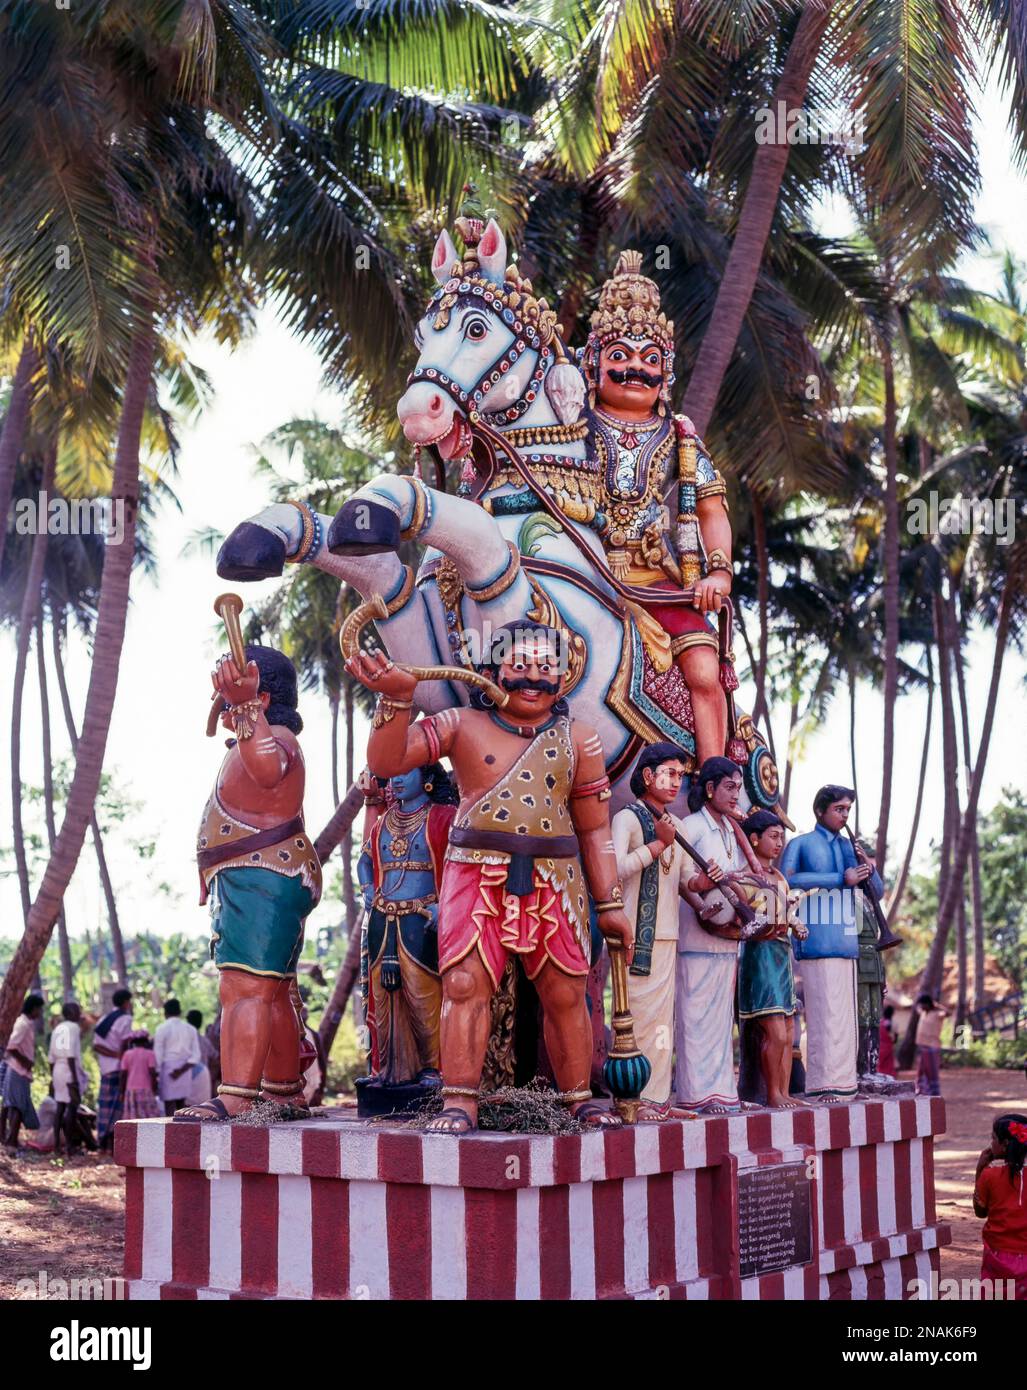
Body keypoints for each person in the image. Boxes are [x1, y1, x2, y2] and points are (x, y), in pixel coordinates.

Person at [345, 619, 634, 1132]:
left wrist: (610, 903)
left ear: (564, 677)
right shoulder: (458, 725)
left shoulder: (580, 741)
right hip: (474, 871)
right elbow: (387, 760)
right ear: (490, 670)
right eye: (519, 664)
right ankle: (460, 1102)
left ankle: (578, 1099)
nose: (533, 678)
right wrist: (395, 703)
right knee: (462, 983)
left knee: (566, 993)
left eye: (546, 666)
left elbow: (596, 832)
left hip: (555, 874)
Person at [583, 251, 735, 764]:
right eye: (621, 356)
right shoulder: (570, 429)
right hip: (581, 569)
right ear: (593, 362)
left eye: (651, 360)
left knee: (702, 670)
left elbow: (712, 510)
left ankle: (713, 774)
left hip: (658, 581)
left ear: (666, 373)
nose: (635, 370)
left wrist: (718, 574)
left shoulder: (678, 437)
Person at [179, 644, 322, 1122]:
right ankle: (283, 1090)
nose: (221, 702)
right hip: (258, 876)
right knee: (271, 988)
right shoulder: (259, 737)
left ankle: (238, 1095)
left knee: (244, 988)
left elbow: (268, 768)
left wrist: (244, 709)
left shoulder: (275, 738)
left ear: (258, 694)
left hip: (262, 875)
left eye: (232, 693)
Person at [356, 763, 457, 1093]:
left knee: (422, 995)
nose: (395, 779)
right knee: (382, 997)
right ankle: (387, 1068)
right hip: (382, 918)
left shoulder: (443, 816)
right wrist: (368, 888)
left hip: (422, 919)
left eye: (405, 773)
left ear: (427, 778)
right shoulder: (384, 820)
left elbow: (460, 862)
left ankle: (433, 1067)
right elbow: (364, 860)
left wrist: (446, 905)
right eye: (392, 773)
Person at [779, 784, 884, 1102]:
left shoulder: (850, 848)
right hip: (816, 940)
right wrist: (840, 878)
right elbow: (787, 879)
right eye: (839, 809)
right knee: (824, 1016)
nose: (844, 815)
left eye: (847, 810)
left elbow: (875, 893)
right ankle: (823, 1084)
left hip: (847, 942)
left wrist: (868, 869)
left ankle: (845, 1083)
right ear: (820, 811)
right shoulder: (801, 844)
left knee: (845, 1020)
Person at [612, 742, 693, 1121]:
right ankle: (634, 1099)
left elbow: (682, 881)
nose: (678, 782)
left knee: (662, 1026)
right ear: (648, 776)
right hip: (634, 936)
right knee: (638, 1020)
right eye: (671, 773)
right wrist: (658, 844)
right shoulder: (627, 818)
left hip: (668, 935)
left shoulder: (674, 826)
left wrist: (705, 886)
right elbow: (614, 871)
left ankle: (658, 1101)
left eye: (681, 775)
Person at [673, 756, 753, 1114]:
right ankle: (696, 1093)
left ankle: (722, 1090)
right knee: (695, 1016)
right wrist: (699, 900)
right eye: (730, 787)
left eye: (739, 787)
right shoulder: (692, 826)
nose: (737, 794)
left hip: (726, 936)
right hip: (695, 935)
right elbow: (679, 875)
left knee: (721, 1021)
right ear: (709, 789)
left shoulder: (728, 830)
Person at [737, 810, 809, 1110]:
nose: (779, 843)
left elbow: (784, 912)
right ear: (754, 839)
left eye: (782, 837)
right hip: (761, 954)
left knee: (790, 1031)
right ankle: (772, 1094)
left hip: (781, 955)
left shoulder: (778, 877)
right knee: (775, 1033)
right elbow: (745, 918)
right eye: (773, 836)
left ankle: (784, 1091)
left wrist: (795, 924)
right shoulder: (745, 875)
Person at [973, 1114, 1027, 1299]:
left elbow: (980, 1211)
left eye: (993, 1138)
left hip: (998, 1257)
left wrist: (979, 1169)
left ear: (1004, 1145)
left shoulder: (990, 1175)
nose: (991, 1144)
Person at [92, 987, 134, 1152]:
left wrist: (112, 1054)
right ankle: (112, 1145)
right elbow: (125, 1043)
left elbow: (97, 1045)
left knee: (104, 1107)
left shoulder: (104, 1018)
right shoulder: (125, 1019)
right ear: (125, 1003)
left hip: (105, 1068)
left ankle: (103, 1142)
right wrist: (119, 1055)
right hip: (118, 1069)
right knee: (116, 1108)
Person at [1, 993, 44, 1151]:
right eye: (39, 1009)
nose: (40, 1013)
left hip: (20, 1070)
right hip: (18, 1069)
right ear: (33, 1009)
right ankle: (11, 1141)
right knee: (17, 1106)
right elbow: (12, 1046)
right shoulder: (23, 1024)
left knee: (16, 1105)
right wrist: (25, 1061)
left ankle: (11, 1139)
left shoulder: (26, 1023)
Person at [49, 1002, 87, 1156]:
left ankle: (57, 1145)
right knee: (71, 1107)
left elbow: (51, 1057)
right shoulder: (74, 1028)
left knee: (60, 1108)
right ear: (71, 1013)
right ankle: (70, 1146)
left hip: (57, 1069)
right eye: (78, 1011)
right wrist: (75, 1078)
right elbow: (71, 1055)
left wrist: (52, 1076)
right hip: (69, 1070)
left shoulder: (57, 1028)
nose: (80, 1015)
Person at [153, 999, 201, 1116]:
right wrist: (181, 1071)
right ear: (180, 1012)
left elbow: (158, 1055)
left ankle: (170, 1130)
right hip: (185, 1069)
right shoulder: (191, 1029)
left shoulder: (161, 1029)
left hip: (168, 1069)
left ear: (165, 1013)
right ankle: (182, 1130)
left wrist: (156, 1072)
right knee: (182, 1104)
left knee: (169, 1104)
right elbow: (196, 1056)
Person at [119, 1031, 161, 1120]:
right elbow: (152, 1073)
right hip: (146, 1089)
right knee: (149, 1116)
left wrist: (122, 1092)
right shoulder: (150, 1054)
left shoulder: (127, 1054)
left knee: (133, 1117)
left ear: (133, 1042)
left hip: (131, 1090)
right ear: (146, 1042)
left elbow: (123, 1075)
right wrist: (154, 1088)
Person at [913, 993, 948, 1097]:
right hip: (922, 1046)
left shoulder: (937, 1014)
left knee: (932, 1071)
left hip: (932, 1047)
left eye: (923, 1004)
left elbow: (948, 1012)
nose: (922, 1006)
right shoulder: (923, 1013)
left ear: (928, 1004)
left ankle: (934, 1092)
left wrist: (936, 1005)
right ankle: (922, 1091)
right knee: (921, 1071)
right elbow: (916, 1007)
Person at [186, 1009, 214, 1105]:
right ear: (201, 1023)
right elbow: (215, 1058)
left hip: (189, 1082)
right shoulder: (205, 1042)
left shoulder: (183, 1042)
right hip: (204, 1083)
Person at [878, 1003, 897, 1078]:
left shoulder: (880, 1023)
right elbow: (895, 1039)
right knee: (888, 1065)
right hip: (888, 1047)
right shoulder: (893, 1024)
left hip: (880, 1047)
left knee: (880, 1064)